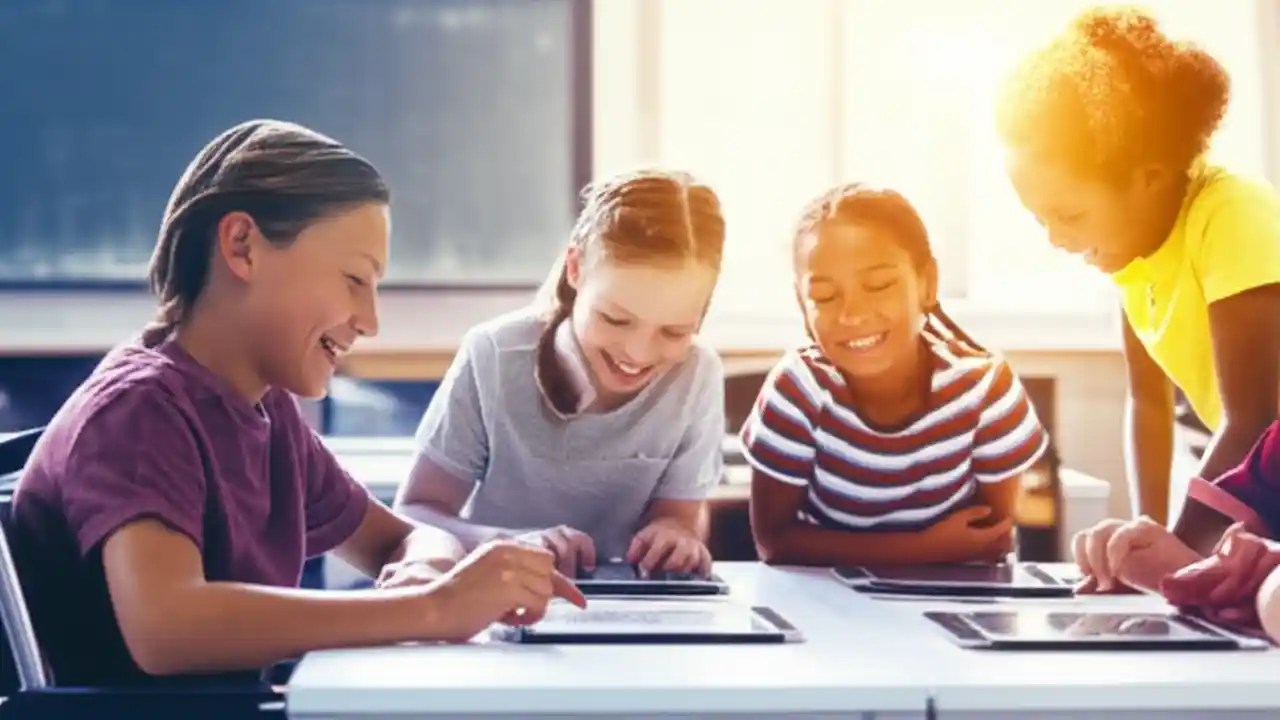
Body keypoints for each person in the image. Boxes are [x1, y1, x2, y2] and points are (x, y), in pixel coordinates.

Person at [11, 119, 583, 687]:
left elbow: (398, 536)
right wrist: (433, 609)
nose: (371, 320)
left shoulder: (265, 410)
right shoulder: (140, 411)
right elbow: (168, 628)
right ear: (243, 247)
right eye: (355, 279)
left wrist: (423, 572)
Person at [996, 7, 1280, 590]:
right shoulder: (1133, 251)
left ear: (1149, 177)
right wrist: (1145, 529)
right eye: (1039, 219)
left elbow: (1254, 414)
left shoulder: (1233, 215)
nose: (1055, 237)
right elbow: (1148, 403)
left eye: (1068, 214)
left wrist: (1175, 549)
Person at [395, 169, 726, 577]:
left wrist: (677, 533)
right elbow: (416, 512)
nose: (638, 353)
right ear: (575, 269)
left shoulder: (698, 374)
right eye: (615, 319)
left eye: (675, 331)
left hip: (632, 607)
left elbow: (681, 514)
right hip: (493, 598)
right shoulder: (494, 355)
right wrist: (503, 542)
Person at [743, 183, 1049, 566]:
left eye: (878, 285)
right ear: (801, 305)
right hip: (829, 608)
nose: (851, 314)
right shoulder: (797, 389)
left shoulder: (986, 390)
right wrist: (926, 548)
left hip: (955, 607)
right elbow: (774, 542)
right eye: (823, 296)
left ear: (927, 283)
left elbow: (989, 542)